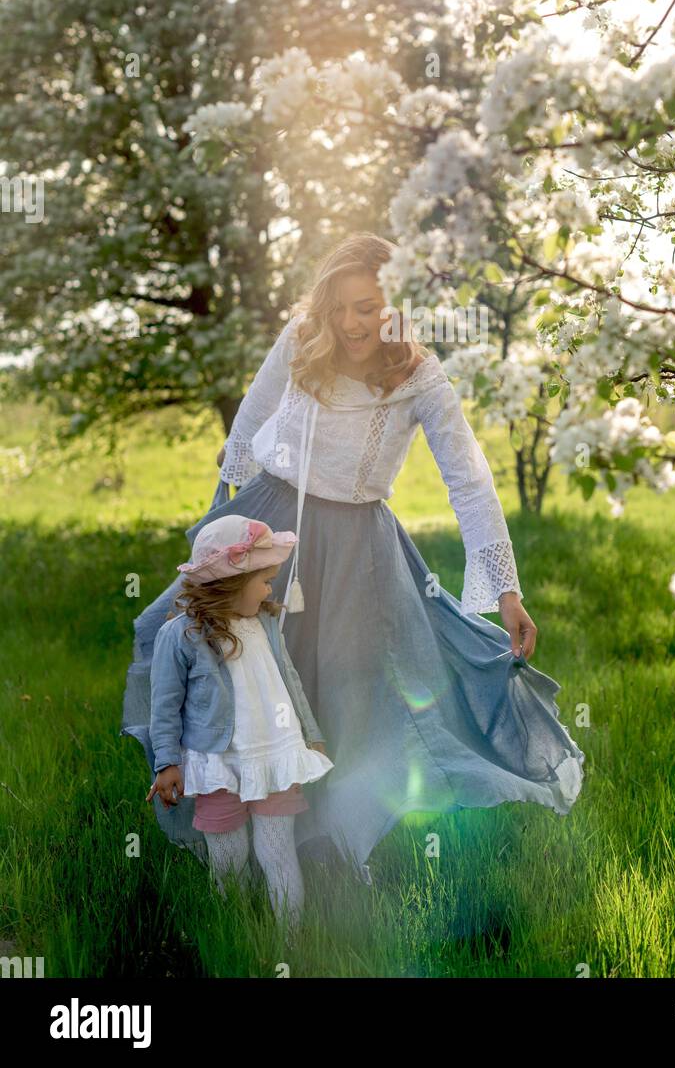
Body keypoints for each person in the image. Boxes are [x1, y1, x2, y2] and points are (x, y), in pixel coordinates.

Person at [121, 231, 584, 887]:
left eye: (366, 306)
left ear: (397, 304)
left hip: (359, 547)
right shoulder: (304, 339)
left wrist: (505, 591)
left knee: (343, 692)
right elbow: (251, 420)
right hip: (271, 520)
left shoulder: (421, 379)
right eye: (340, 307)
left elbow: (469, 482)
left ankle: (336, 844)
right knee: (198, 649)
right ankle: (221, 819)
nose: (350, 322)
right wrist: (221, 517)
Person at [145, 513, 333, 927]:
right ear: (231, 582)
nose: (270, 589)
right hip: (218, 763)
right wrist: (166, 762)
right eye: (264, 580)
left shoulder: (264, 623)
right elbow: (164, 706)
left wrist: (310, 734)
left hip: (275, 755)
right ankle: (237, 934)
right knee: (228, 859)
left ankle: (290, 940)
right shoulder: (181, 636)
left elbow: (290, 679)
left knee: (277, 852)